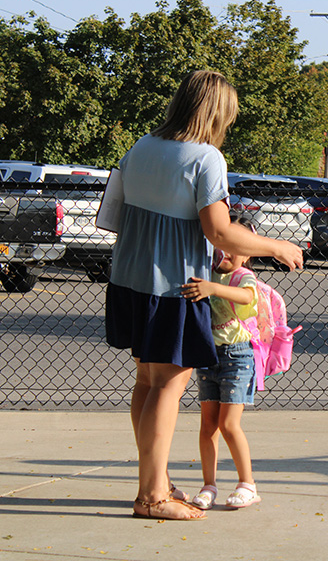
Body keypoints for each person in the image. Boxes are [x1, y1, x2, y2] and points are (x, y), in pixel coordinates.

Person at [105, 70, 303, 520]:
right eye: (227, 116)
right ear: (215, 113)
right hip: (173, 285)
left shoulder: (141, 146)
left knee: (145, 382)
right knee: (167, 386)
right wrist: (277, 246)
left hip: (128, 278)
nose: (227, 125)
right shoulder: (206, 158)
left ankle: (154, 484)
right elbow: (219, 232)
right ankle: (152, 498)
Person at [180, 220, 262, 510]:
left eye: (236, 247)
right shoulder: (208, 273)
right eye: (223, 245)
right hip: (208, 357)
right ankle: (209, 485)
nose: (227, 252)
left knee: (229, 425)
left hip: (237, 357)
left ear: (247, 253)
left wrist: (214, 288)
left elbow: (247, 297)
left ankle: (247, 484)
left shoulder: (242, 277)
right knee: (208, 426)